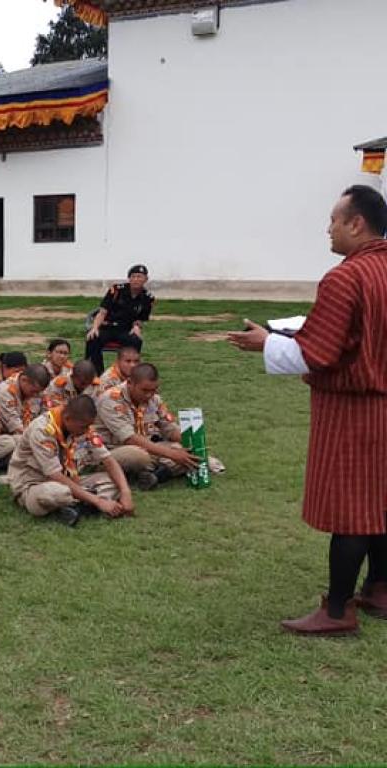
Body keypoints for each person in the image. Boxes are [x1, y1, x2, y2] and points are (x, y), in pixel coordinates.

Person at [228, 185, 387, 636]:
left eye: (334, 221)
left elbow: (319, 352)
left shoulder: (345, 277)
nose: (328, 229)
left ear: (356, 223)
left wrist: (267, 342)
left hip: (353, 409)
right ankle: (379, 587)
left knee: (350, 507)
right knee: (380, 502)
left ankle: (337, 610)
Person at [6, 395, 135, 526]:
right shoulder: (42, 429)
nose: (86, 431)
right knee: (56, 494)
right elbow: (55, 475)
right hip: (35, 483)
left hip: (70, 480)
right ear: (67, 419)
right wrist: (98, 501)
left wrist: (125, 492)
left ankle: (75, 506)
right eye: (83, 427)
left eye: (88, 427)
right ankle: (88, 503)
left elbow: (108, 460)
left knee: (114, 481)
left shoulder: (83, 426)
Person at [93, 363, 198, 490]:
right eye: (145, 390)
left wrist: (191, 442)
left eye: (153, 390)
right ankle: (161, 470)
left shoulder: (154, 399)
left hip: (147, 447)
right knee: (137, 455)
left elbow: (169, 428)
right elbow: (129, 438)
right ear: (130, 382)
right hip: (113, 452)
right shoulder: (110, 400)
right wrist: (171, 454)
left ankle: (154, 476)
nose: (149, 395)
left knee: (182, 450)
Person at [85, 264, 154, 374]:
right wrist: (94, 328)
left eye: (139, 276)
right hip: (107, 327)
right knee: (93, 338)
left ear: (146, 279)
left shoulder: (148, 297)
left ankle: (129, 373)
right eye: (133, 276)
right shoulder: (116, 290)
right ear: (129, 278)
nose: (136, 279)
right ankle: (96, 374)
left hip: (125, 329)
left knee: (136, 340)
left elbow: (140, 318)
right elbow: (102, 312)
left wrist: (137, 327)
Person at [0, 364, 50, 435]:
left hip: (31, 430)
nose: (36, 395)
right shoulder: (5, 392)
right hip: (9, 434)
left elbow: (46, 413)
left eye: (39, 392)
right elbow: (16, 427)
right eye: (34, 391)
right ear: (24, 379)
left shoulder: (37, 388)